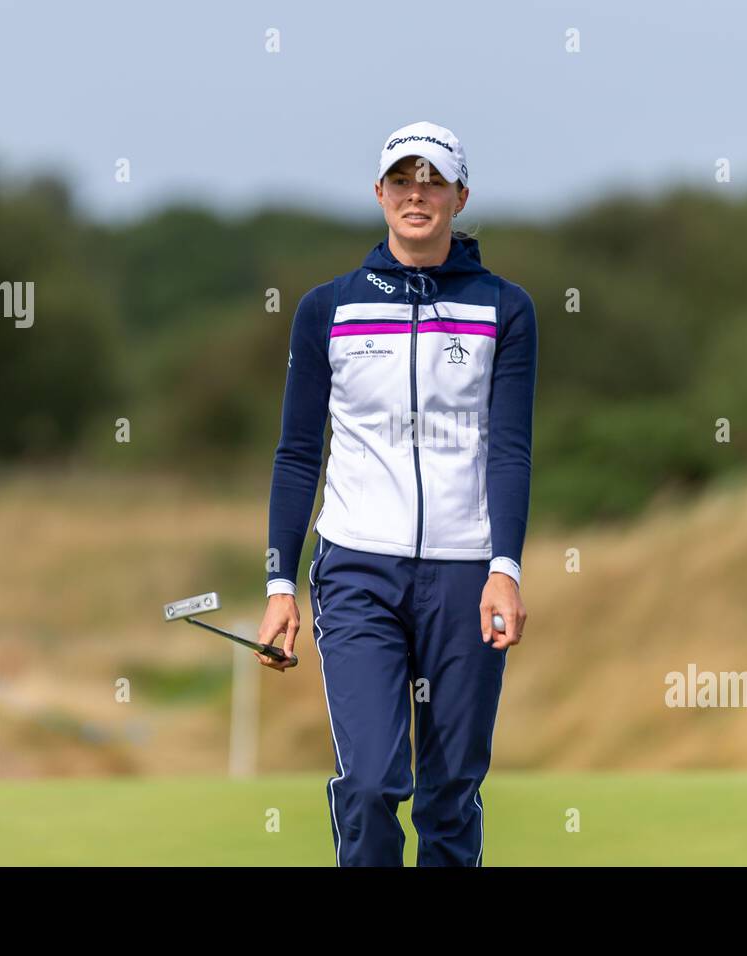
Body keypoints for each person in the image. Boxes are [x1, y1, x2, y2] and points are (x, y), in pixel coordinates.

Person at [258, 121, 538, 866]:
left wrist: (505, 568)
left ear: (460, 197)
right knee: (375, 781)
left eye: (434, 181)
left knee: (450, 792)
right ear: (379, 193)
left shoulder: (505, 308)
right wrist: (281, 584)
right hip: (357, 570)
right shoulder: (329, 308)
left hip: (465, 571)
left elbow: (509, 449)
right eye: (403, 181)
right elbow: (295, 455)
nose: (418, 195)